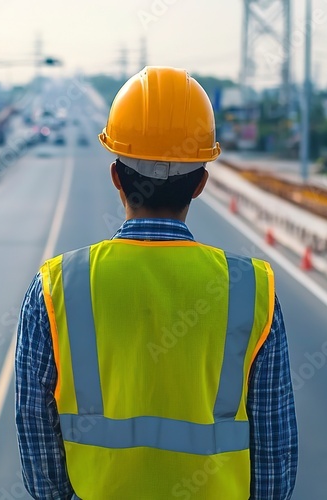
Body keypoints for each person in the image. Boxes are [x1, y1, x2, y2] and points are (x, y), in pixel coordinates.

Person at [15, 66, 297, 499]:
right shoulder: (251, 290)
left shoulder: (55, 288)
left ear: (116, 177)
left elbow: (37, 440)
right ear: (201, 183)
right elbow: (275, 455)